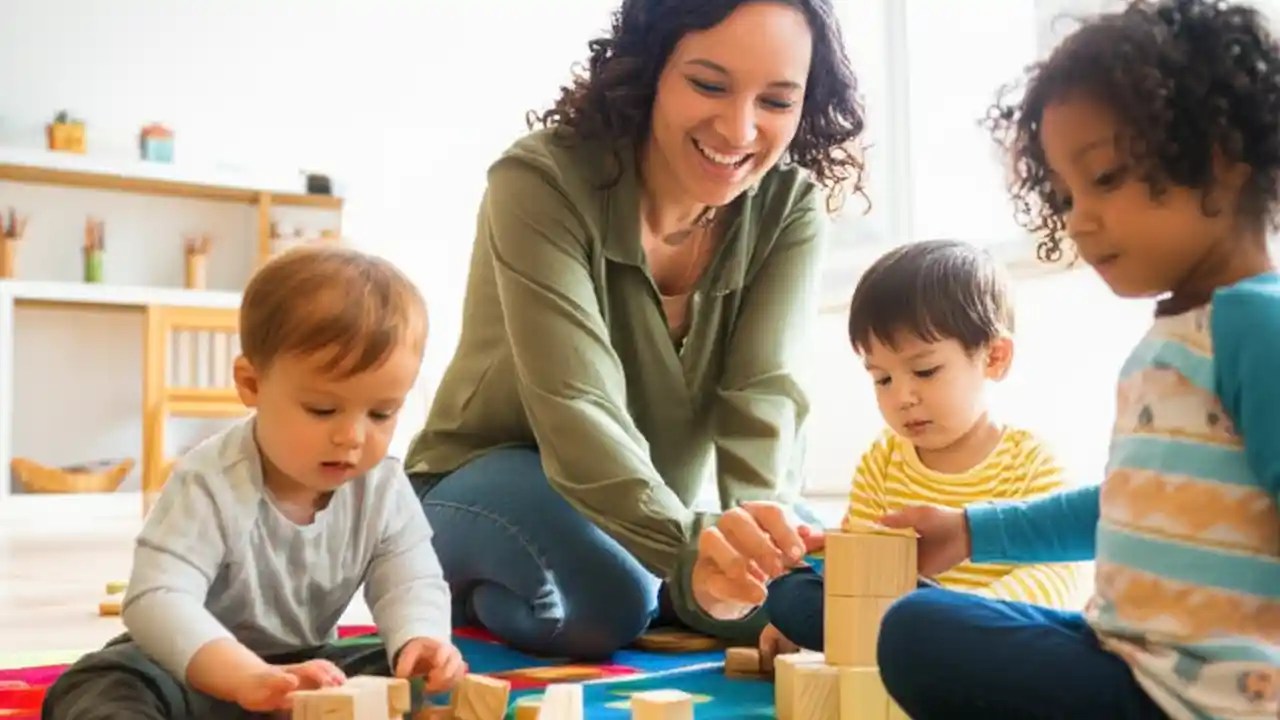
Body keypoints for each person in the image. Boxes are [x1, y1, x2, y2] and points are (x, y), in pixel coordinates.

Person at [404, 0, 866, 658]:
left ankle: (665, 582)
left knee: (828, 583)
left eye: (777, 101)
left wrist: (758, 545)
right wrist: (690, 552)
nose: (739, 129)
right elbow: (577, 408)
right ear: (651, 70)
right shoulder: (539, 180)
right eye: (708, 84)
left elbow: (765, 394)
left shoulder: (789, 207)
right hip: (478, 483)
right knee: (606, 600)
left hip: (636, 514)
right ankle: (473, 588)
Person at [875, 1, 1280, 718]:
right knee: (913, 623)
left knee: (918, 631)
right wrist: (969, 530)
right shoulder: (1177, 338)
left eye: (1106, 179)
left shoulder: (1255, 323)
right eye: (1063, 193)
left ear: (1220, 165)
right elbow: (1119, 509)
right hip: (1132, 659)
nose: (1078, 218)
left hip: (1208, 698)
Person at [43, 247, 464, 720]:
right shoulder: (210, 481)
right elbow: (156, 600)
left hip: (306, 672)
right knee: (101, 685)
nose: (352, 436)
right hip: (195, 669)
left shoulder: (382, 487)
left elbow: (410, 581)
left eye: (381, 413)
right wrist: (244, 676)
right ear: (251, 384)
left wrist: (421, 638)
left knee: (406, 677)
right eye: (322, 410)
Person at [757, 239, 1083, 664]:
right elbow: (858, 568)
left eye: (925, 371)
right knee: (787, 592)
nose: (903, 397)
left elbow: (1059, 575)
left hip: (986, 629)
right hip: (901, 616)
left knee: (1037, 630)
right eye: (882, 379)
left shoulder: (1031, 461)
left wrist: (962, 613)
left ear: (994, 357)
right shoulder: (882, 461)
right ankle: (897, 642)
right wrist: (822, 553)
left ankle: (918, 642)